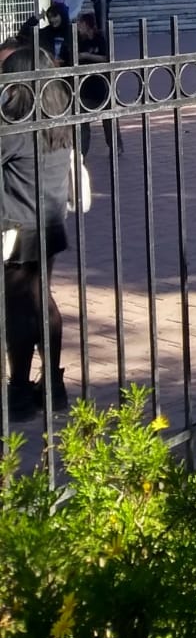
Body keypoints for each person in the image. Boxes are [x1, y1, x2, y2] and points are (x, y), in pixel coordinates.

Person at [0, 46, 73, 419]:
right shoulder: (59, 118)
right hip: (50, 223)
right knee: (41, 300)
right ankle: (53, 386)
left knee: (17, 308)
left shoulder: (15, 127)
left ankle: (18, 391)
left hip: (16, 227)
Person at [76, 12, 122, 158]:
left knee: (109, 120)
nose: (78, 27)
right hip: (85, 86)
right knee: (83, 122)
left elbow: (107, 57)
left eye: (80, 24)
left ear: (87, 25)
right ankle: (82, 153)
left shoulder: (99, 39)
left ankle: (116, 146)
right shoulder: (78, 40)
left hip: (102, 85)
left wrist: (88, 56)